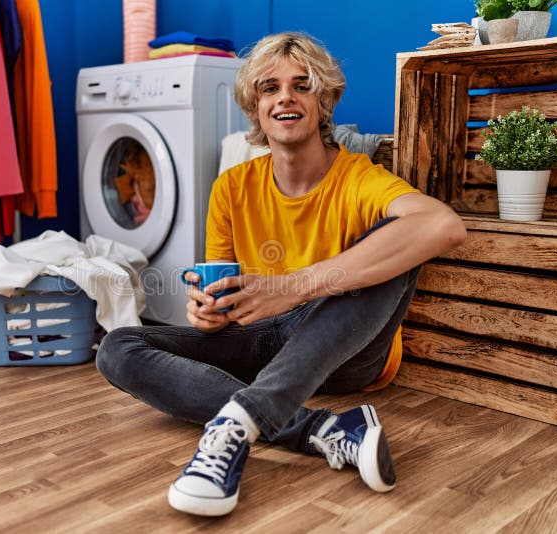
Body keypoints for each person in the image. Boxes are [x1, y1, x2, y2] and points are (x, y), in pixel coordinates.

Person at [96, 31, 466, 517]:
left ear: (324, 100)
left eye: (302, 85)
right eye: (269, 88)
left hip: (344, 350)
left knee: (396, 238)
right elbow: (227, 294)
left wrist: (292, 288)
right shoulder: (231, 187)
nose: (285, 97)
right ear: (255, 107)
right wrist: (209, 313)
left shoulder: (358, 177)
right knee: (118, 346)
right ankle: (322, 430)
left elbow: (443, 225)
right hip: (261, 344)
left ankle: (239, 423)